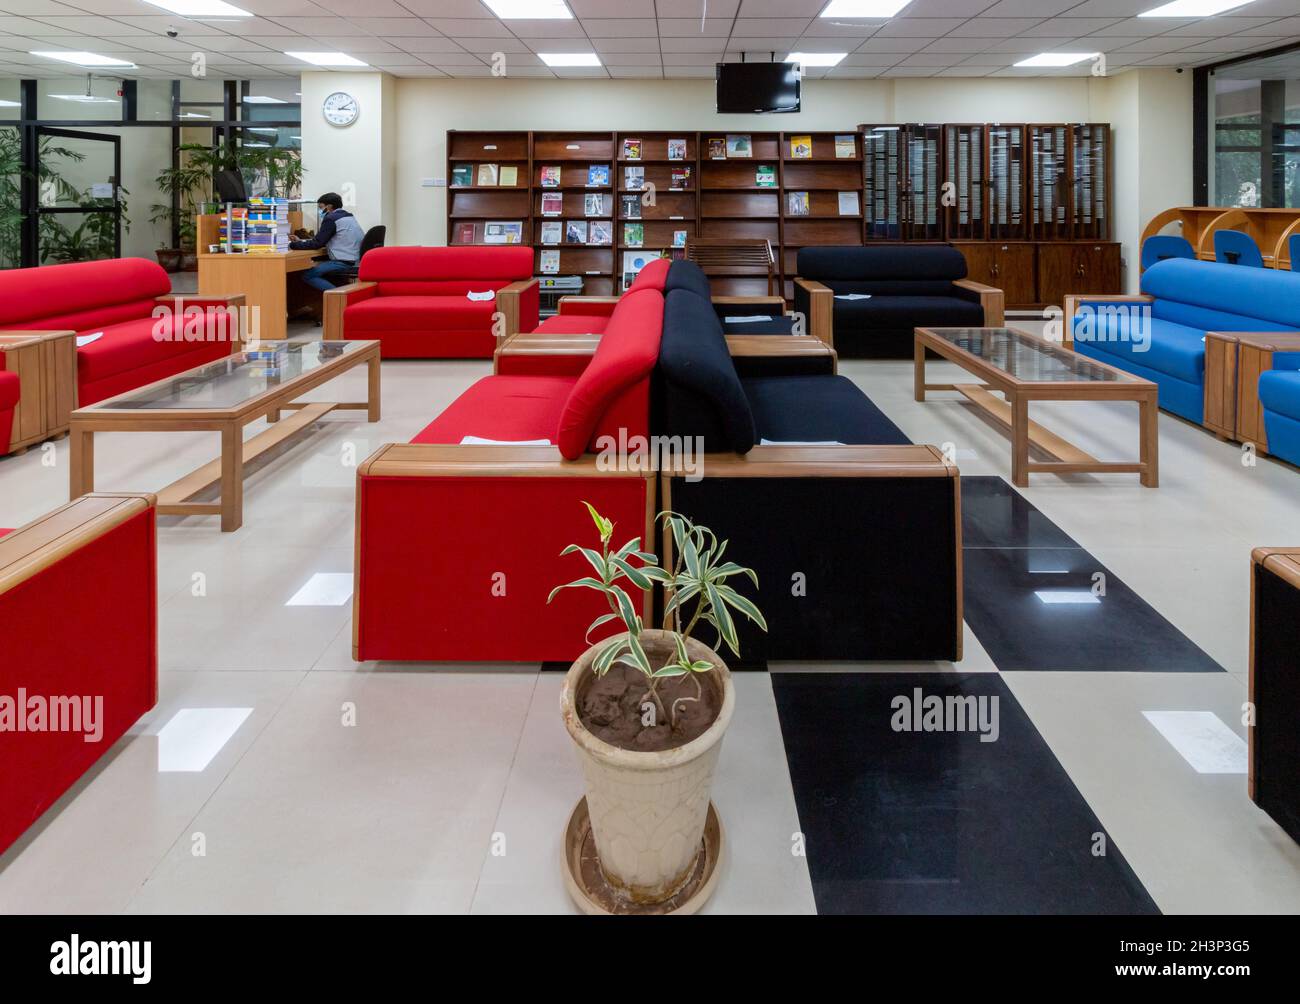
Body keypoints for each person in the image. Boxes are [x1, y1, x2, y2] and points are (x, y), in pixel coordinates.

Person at [290, 193, 364, 291]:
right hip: (356, 259)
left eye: (321, 207)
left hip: (344, 261)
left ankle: (339, 298)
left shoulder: (331, 219)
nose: (320, 211)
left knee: (308, 275)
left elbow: (317, 243)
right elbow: (326, 239)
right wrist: (301, 241)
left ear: (329, 206)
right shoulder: (348, 216)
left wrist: (293, 245)